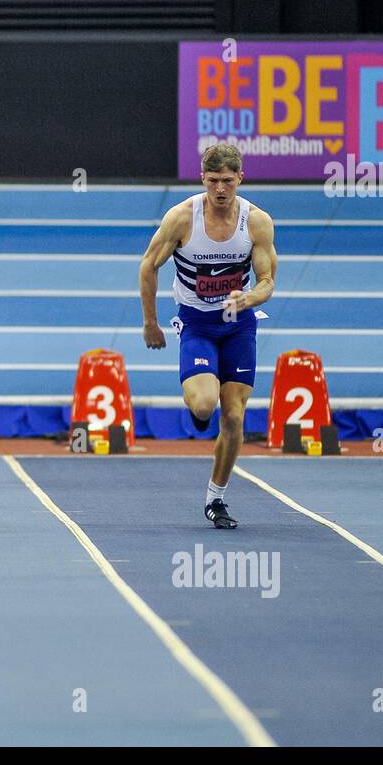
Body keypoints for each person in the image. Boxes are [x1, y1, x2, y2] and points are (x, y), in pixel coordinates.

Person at [140, 144, 277, 529]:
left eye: (228, 182)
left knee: (233, 416)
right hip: (197, 324)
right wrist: (151, 323)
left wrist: (248, 297)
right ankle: (201, 406)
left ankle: (216, 499)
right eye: (214, 181)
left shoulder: (257, 222)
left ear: (240, 179)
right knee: (204, 406)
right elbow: (148, 267)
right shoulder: (182, 218)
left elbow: (268, 282)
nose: (220, 189)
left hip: (239, 324)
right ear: (203, 179)